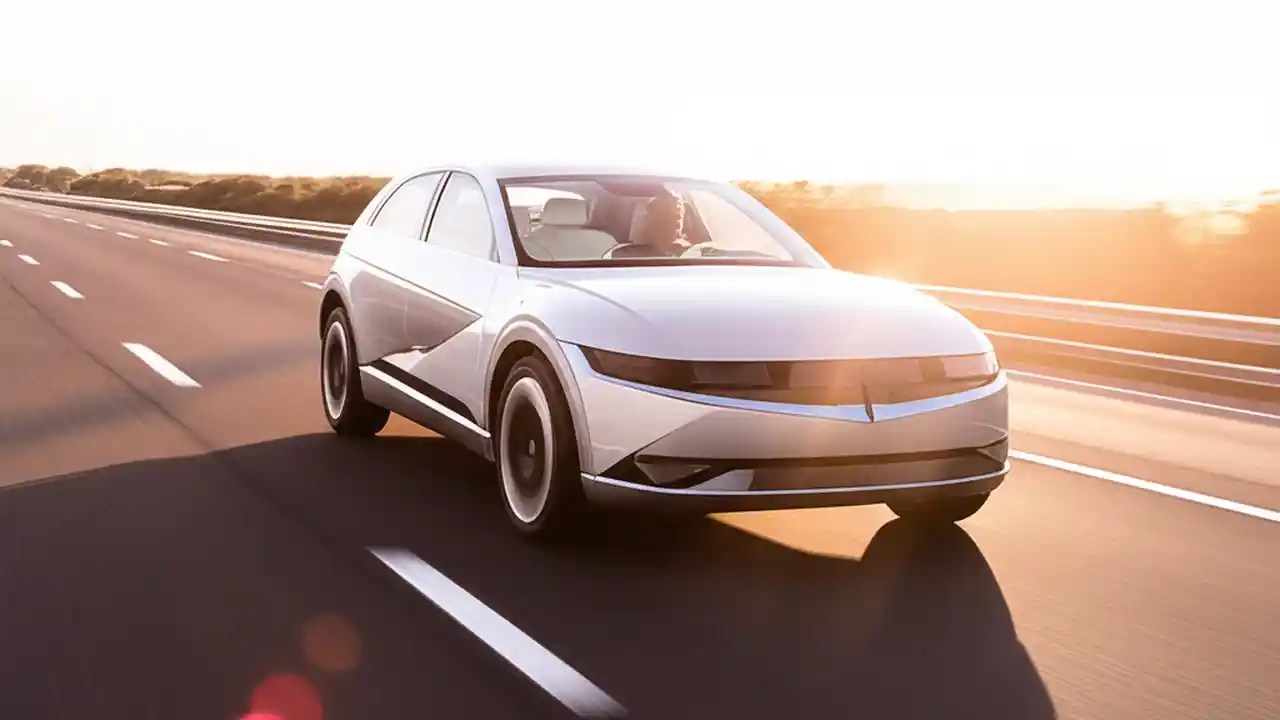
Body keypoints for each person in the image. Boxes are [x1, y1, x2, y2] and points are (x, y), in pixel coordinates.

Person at [605, 191, 689, 259]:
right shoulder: (618, 257)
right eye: (666, 213)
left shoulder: (693, 254)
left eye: (679, 211)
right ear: (650, 222)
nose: (677, 216)